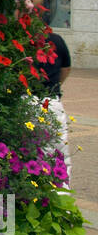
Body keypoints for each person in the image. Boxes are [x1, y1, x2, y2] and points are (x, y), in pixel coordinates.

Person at [44, 31, 72, 186]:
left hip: (29, 100)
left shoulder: (22, 41)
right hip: (49, 100)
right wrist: (55, 86)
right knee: (58, 155)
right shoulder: (56, 40)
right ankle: (60, 196)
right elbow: (66, 69)